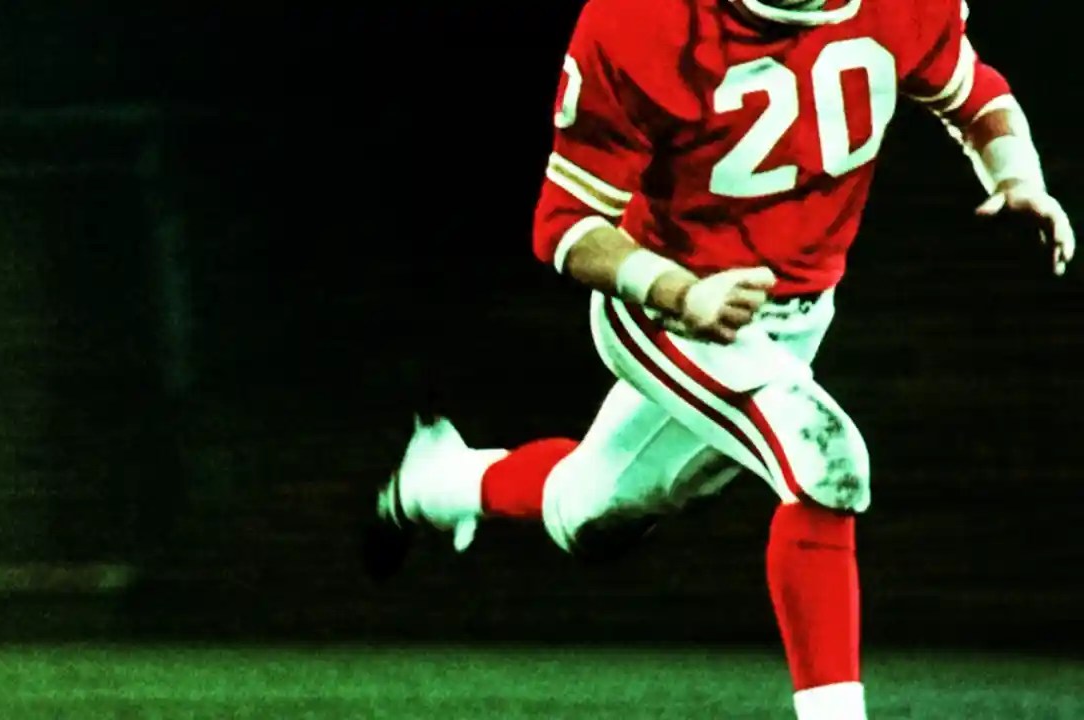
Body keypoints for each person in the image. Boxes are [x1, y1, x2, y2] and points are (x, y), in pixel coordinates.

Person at [362, 1, 1075, 718]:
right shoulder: (643, 19)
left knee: (592, 511)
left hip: (796, 315)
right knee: (829, 464)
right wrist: (679, 290)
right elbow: (566, 224)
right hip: (668, 306)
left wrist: (1017, 175)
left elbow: (970, 88)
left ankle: (443, 478)